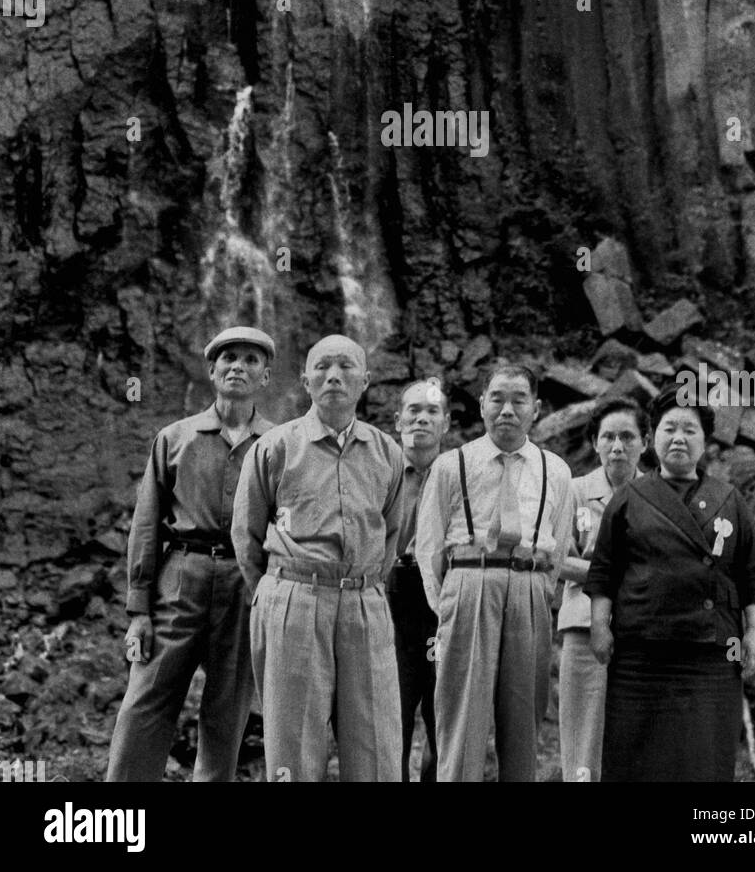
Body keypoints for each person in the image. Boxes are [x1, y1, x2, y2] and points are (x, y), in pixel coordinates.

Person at [231, 334, 404, 782]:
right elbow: (247, 535)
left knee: (376, 744)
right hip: (294, 600)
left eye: (346, 367)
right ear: (305, 380)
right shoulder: (275, 447)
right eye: (322, 367)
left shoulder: (388, 452)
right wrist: (281, 591)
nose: (333, 376)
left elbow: (391, 534)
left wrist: (360, 584)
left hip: (365, 605)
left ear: (365, 381)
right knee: (294, 744)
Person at [106, 326, 276, 782]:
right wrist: (139, 609)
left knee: (228, 709)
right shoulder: (174, 438)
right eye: (228, 358)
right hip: (180, 575)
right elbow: (146, 522)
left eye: (250, 359)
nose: (237, 365)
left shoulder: (280, 444)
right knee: (146, 699)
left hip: (247, 583)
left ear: (265, 376)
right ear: (212, 369)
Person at [586, 383, 755, 783]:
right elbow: (603, 572)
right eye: (670, 428)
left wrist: (754, 634)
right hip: (641, 657)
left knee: (703, 764)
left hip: (711, 656)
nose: (679, 438)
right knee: (636, 761)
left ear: (705, 441)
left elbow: (752, 574)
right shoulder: (629, 497)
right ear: (653, 439)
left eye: (690, 430)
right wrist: (599, 627)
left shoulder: (730, 499)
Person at [416, 363, 573, 783]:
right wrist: (450, 602)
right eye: (497, 398)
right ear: (482, 404)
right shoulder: (452, 465)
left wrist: (537, 590)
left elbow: (558, 547)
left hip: (529, 587)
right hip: (469, 582)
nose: (507, 409)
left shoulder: (556, 471)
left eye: (519, 399)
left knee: (523, 719)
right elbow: (429, 545)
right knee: (461, 716)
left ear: (535, 409)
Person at [557, 397, 649, 783]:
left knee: (639, 737)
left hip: (644, 630)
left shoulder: (660, 496)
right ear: (594, 442)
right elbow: (559, 558)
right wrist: (615, 573)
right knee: (584, 739)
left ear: (646, 442)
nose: (617, 446)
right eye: (608, 437)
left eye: (627, 437)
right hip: (583, 625)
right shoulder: (574, 491)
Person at [388, 377, 451, 782]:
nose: (422, 419)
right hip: (391, 593)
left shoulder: (459, 473)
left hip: (442, 599)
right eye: (414, 410)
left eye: (432, 412)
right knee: (392, 706)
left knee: (442, 706)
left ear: (446, 423)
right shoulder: (381, 468)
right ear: (398, 420)